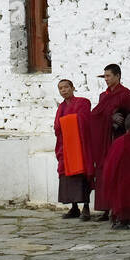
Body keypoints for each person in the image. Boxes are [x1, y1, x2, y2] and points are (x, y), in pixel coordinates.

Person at [90, 64, 130, 221]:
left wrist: (120, 123)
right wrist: (109, 117)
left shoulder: (126, 94)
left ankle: (118, 208)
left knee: (117, 172)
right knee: (104, 172)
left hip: (119, 138)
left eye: (109, 76)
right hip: (105, 139)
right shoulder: (104, 96)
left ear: (118, 76)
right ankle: (105, 208)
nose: (106, 79)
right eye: (105, 76)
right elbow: (96, 115)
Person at [54, 78, 92, 220]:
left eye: (66, 87)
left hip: (79, 145)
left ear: (72, 87)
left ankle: (86, 207)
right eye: (60, 88)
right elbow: (57, 127)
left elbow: (85, 119)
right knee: (67, 177)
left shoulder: (83, 102)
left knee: (82, 175)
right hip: (65, 147)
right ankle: (74, 207)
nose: (63, 90)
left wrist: (67, 122)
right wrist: (66, 122)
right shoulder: (61, 108)